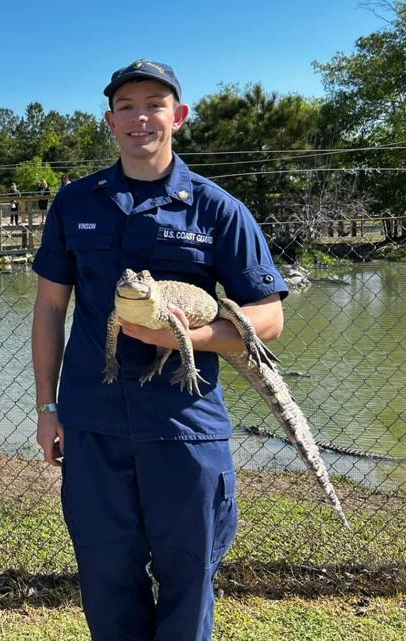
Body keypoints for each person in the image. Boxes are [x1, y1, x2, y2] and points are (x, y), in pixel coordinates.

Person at [31, 59, 287, 641]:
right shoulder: (75, 203)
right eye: (126, 107)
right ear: (110, 121)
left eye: (154, 104)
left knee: (188, 585)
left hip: (184, 427)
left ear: (179, 116)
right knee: (107, 583)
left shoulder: (217, 209)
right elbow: (49, 309)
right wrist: (48, 408)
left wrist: (186, 338)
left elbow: (268, 318)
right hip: (94, 425)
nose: (139, 117)